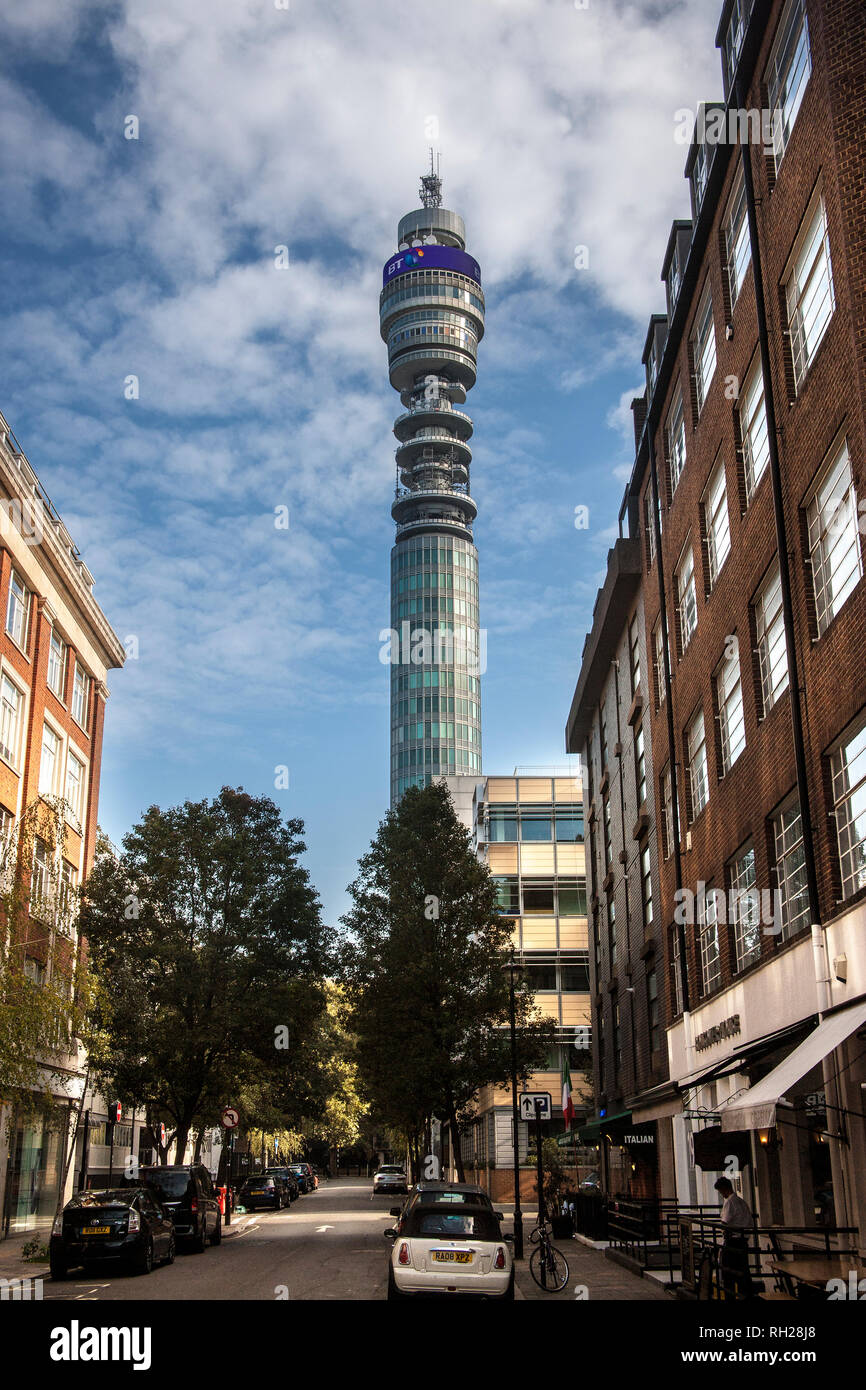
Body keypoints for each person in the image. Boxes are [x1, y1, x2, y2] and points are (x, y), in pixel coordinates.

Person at [714, 1176, 753, 1299]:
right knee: (742, 1273)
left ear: (724, 1189)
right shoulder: (742, 1202)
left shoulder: (730, 1202)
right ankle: (744, 1296)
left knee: (728, 1274)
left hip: (733, 1242)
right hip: (743, 1241)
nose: (721, 1195)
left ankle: (730, 1297)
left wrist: (725, 1233)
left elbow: (724, 1223)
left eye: (721, 1192)